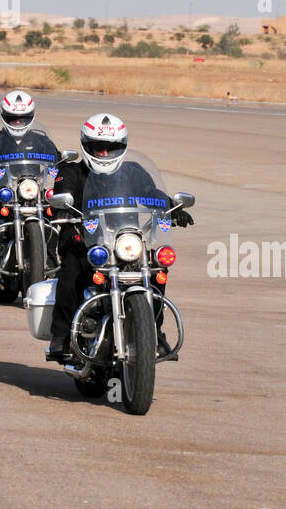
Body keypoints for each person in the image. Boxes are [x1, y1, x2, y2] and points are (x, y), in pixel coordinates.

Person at [46, 112, 193, 363]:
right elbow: (62, 193)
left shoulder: (133, 171)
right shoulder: (70, 171)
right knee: (70, 271)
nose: (104, 154)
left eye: (111, 148)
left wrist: (171, 207)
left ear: (122, 147)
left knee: (156, 268)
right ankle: (61, 335)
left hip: (126, 241)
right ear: (86, 145)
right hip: (85, 242)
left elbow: (152, 193)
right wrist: (61, 207)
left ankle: (153, 333)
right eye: (98, 148)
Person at [0, 90, 59, 278]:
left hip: (32, 189)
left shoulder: (42, 140)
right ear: (4, 117)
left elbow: (56, 158)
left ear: (31, 116)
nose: (18, 123)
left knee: (51, 212)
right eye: (13, 118)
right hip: (3, 191)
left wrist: (63, 165)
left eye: (23, 118)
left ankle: (50, 256)